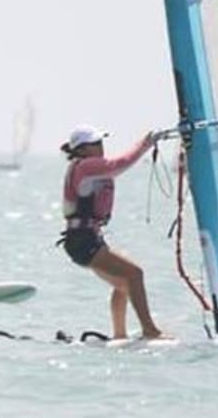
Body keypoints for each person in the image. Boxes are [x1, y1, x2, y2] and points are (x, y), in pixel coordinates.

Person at [59, 125, 168, 340]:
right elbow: (122, 163)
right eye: (95, 144)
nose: (101, 147)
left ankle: (120, 335)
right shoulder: (86, 167)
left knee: (124, 283)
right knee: (135, 274)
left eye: (101, 143)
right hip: (83, 241)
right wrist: (146, 143)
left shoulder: (87, 166)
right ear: (81, 149)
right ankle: (150, 330)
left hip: (86, 239)